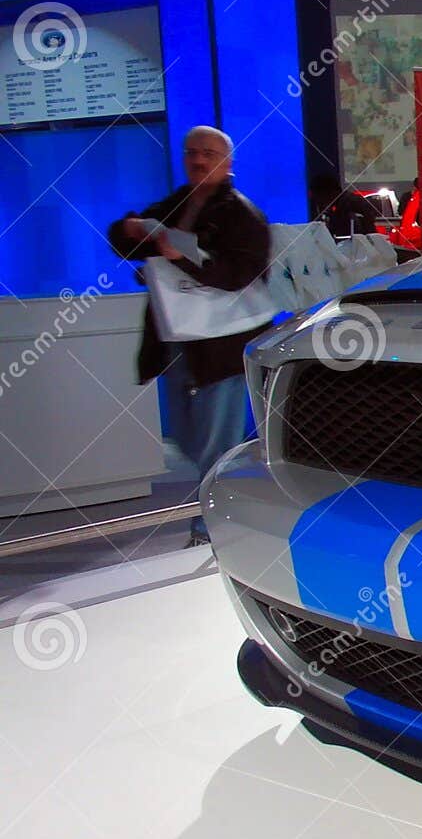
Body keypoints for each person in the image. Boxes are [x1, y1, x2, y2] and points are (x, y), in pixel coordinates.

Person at [108, 125, 272, 547]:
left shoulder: (242, 213)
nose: (199, 161)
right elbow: (127, 243)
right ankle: (228, 514)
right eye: (192, 152)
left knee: (216, 445)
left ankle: (212, 531)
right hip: (177, 341)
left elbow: (239, 273)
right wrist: (127, 231)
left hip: (221, 346)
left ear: (227, 163)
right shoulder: (177, 202)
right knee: (185, 437)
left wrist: (186, 257)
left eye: (208, 154)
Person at [309, 171, 379, 236]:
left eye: (319, 198)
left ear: (327, 193)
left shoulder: (349, 204)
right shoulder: (340, 204)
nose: (320, 203)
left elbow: (351, 232)